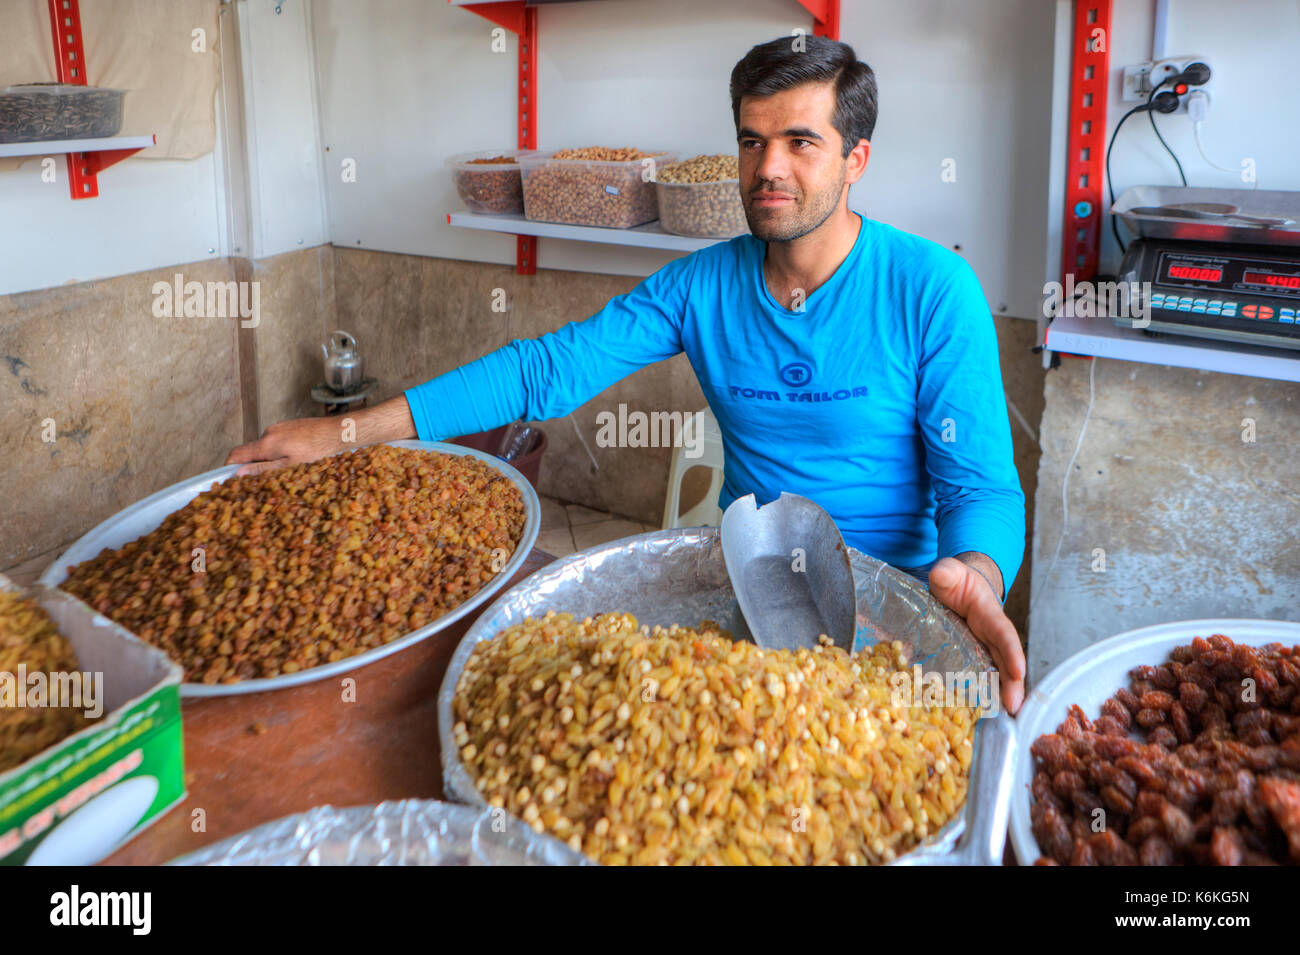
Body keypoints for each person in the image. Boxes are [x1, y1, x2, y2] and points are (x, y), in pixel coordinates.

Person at [229, 36, 1027, 713]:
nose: (767, 168)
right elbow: (551, 366)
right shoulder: (703, 284)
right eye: (751, 141)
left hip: (895, 615)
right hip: (751, 590)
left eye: (799, 142)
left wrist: (977, 574)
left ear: (857, 158)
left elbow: (980, 489)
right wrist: (344, 431)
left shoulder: (931, 290)